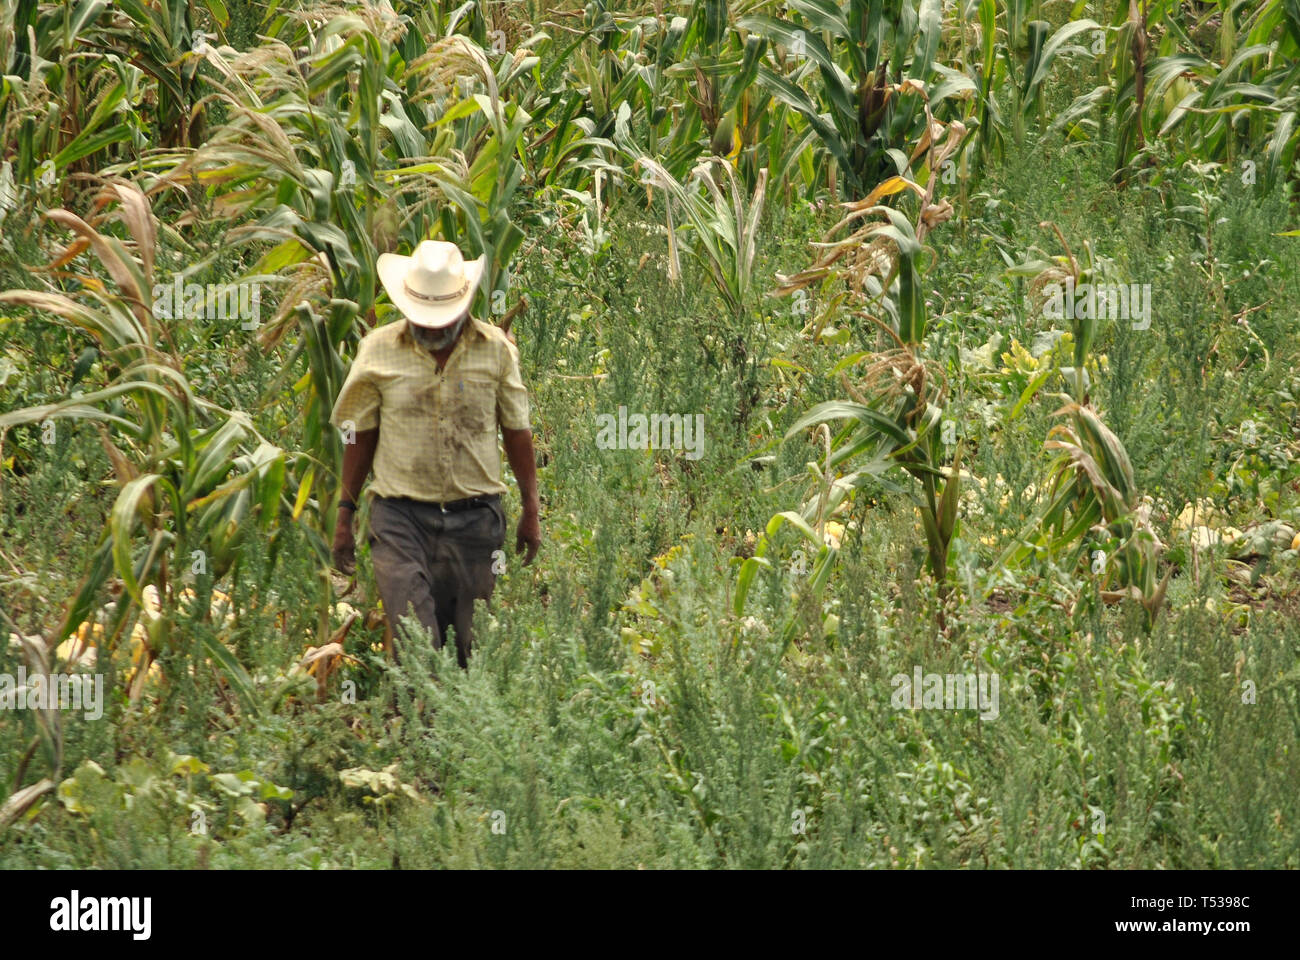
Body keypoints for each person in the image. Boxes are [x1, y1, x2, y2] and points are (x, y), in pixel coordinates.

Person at [329, 240, 540, 666]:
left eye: (441, 320)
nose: (431, 329)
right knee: (417, 647)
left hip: (477, 523)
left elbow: (517, 432)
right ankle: (414, 726)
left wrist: (531, 509)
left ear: (464, 304)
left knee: (466, 651)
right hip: (400, 521)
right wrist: (344, 512)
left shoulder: (496, 350)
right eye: (422, 321)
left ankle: (448, 730)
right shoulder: (378, 350)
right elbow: (359, 435)